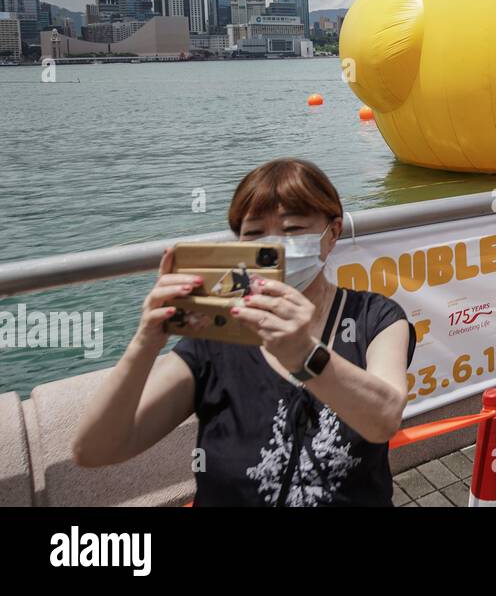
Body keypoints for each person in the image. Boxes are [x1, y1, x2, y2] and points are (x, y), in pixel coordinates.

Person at [74, 159, 415, 506]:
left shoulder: (374, 317)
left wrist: (305, 354)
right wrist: (146, 340)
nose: (275, 246)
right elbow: (96, 450)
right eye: (254, 234)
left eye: (294, 228)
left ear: (333, 233)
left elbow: (384, 420)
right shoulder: (215, 338)